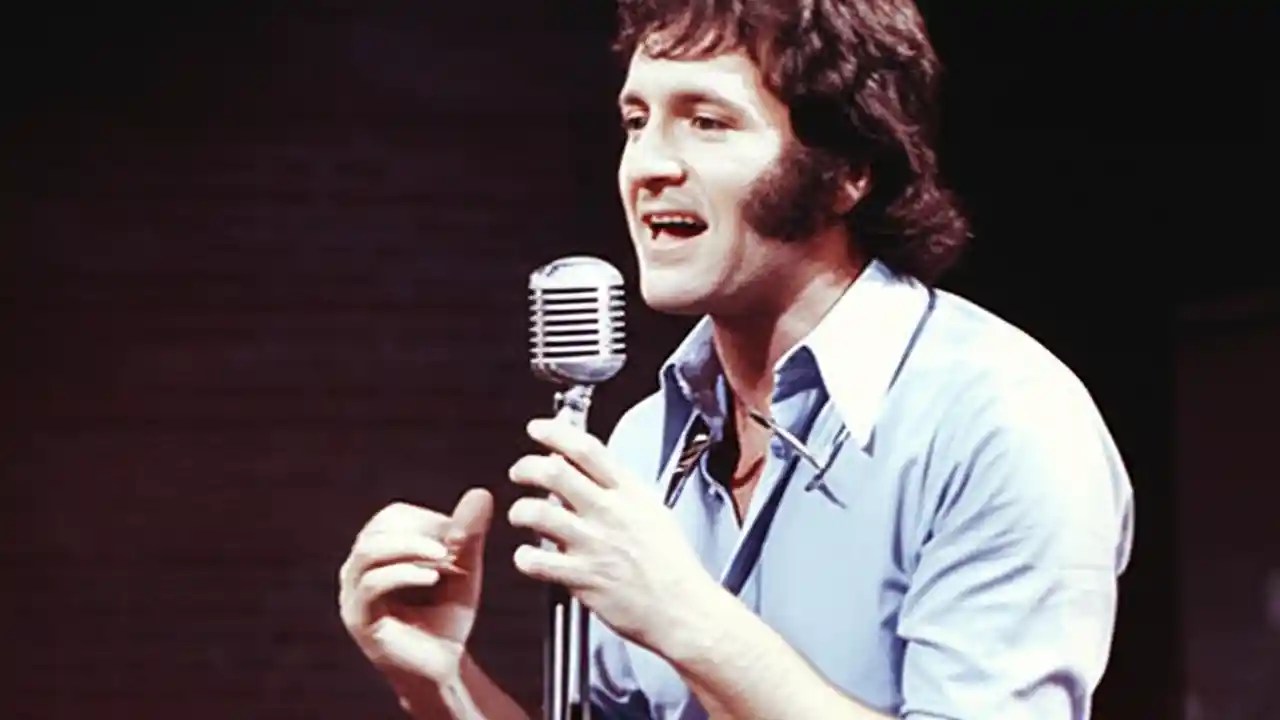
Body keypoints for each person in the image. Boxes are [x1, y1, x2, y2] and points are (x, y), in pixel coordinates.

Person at [337, 0, 1135, 717]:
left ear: (846, 172)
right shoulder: (645, 444)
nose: (649, 165)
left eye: (706, 121)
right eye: (636, 120)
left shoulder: (1001, 421)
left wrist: (687, 617)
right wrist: (440, 683)